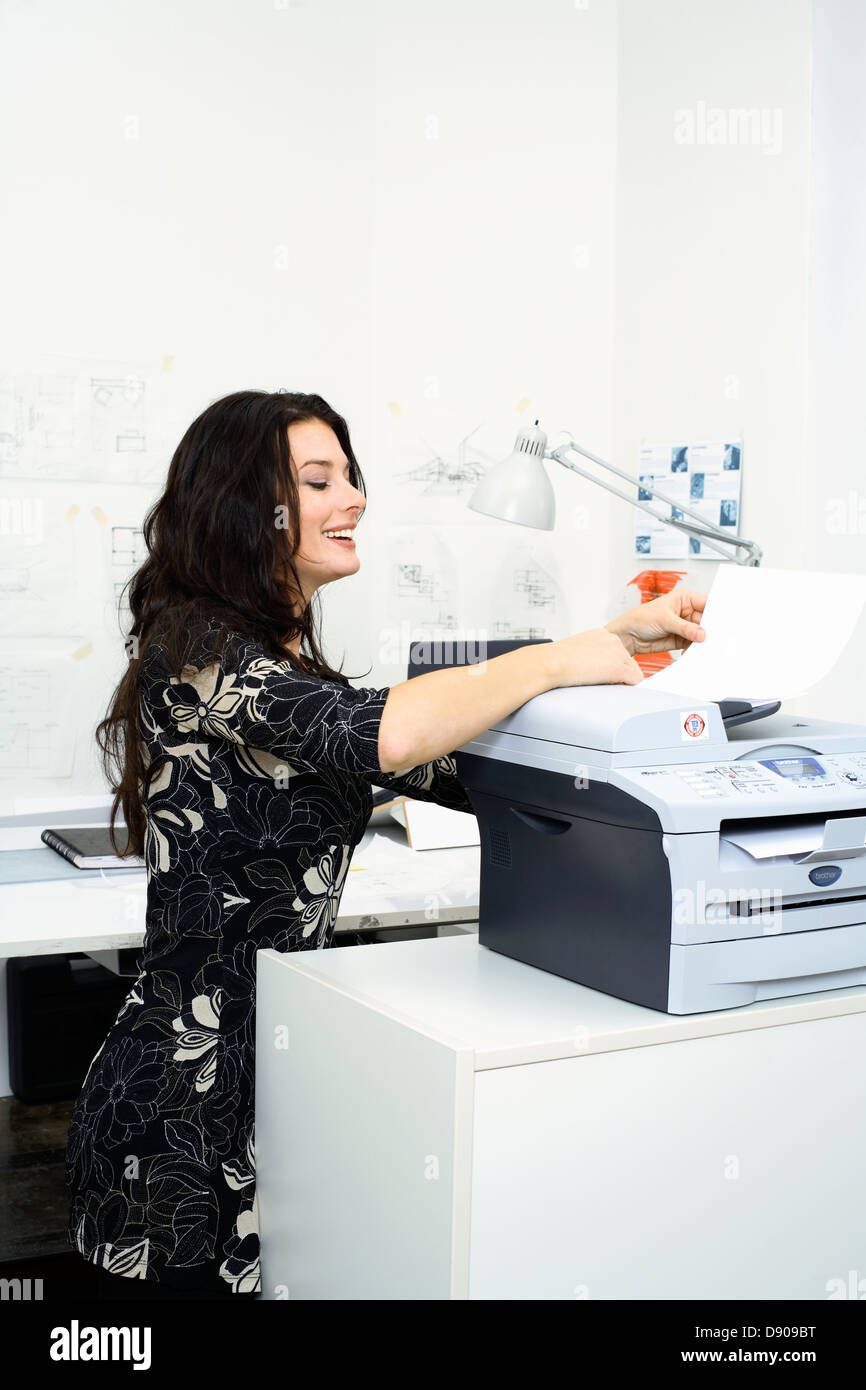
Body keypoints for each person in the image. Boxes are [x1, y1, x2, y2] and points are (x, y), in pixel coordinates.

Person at [65, 389, 706, 1299]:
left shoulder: (286, 672)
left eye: (349, 474)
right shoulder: (198, 649)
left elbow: (458, 767)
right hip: (177, 1105)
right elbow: (386, 736)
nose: (354, 496)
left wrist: (628, 677)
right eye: (319, 479)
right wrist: (565, 655)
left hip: (267, 1078)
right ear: (245, 509)